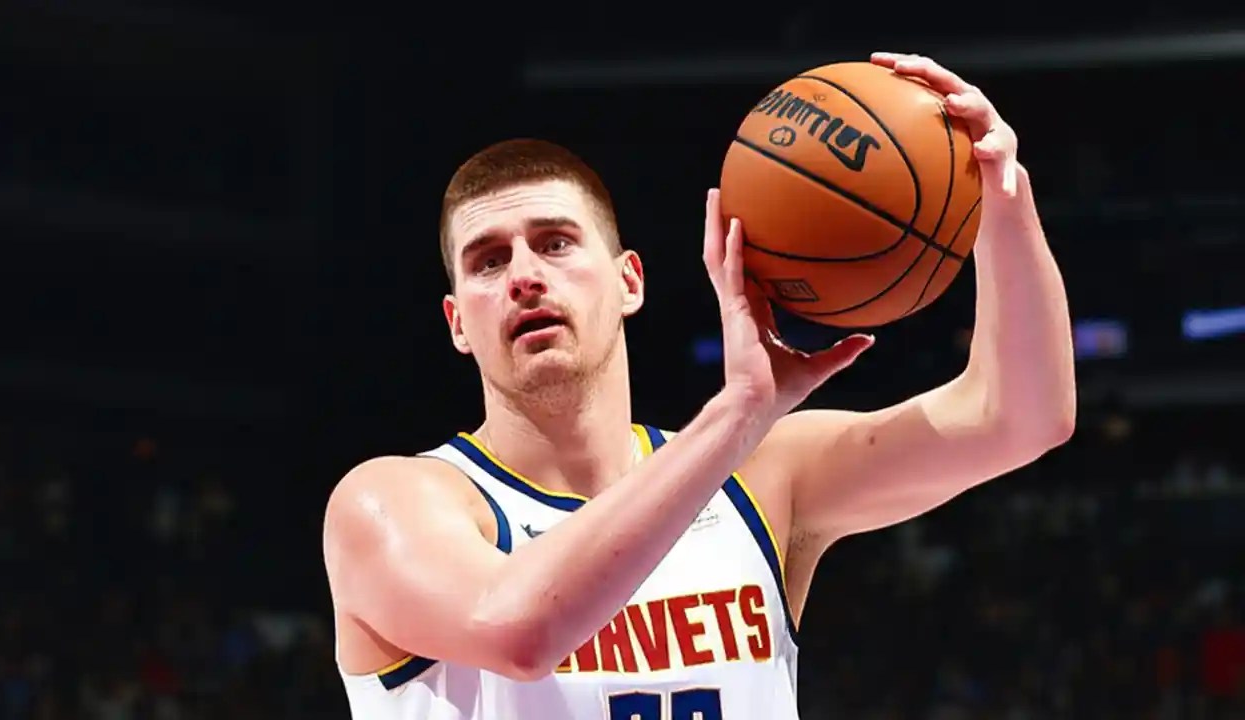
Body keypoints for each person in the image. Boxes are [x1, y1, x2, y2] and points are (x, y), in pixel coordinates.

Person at [322, 52, 1076, 719]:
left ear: (629, 281)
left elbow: (1022, 417)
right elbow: (518, 632)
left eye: (555, 243)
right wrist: (738, 412)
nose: (524, 276)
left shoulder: (763, 479)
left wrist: (1000, 197)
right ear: (458, 322)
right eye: (488, 261)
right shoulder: (392, 503)